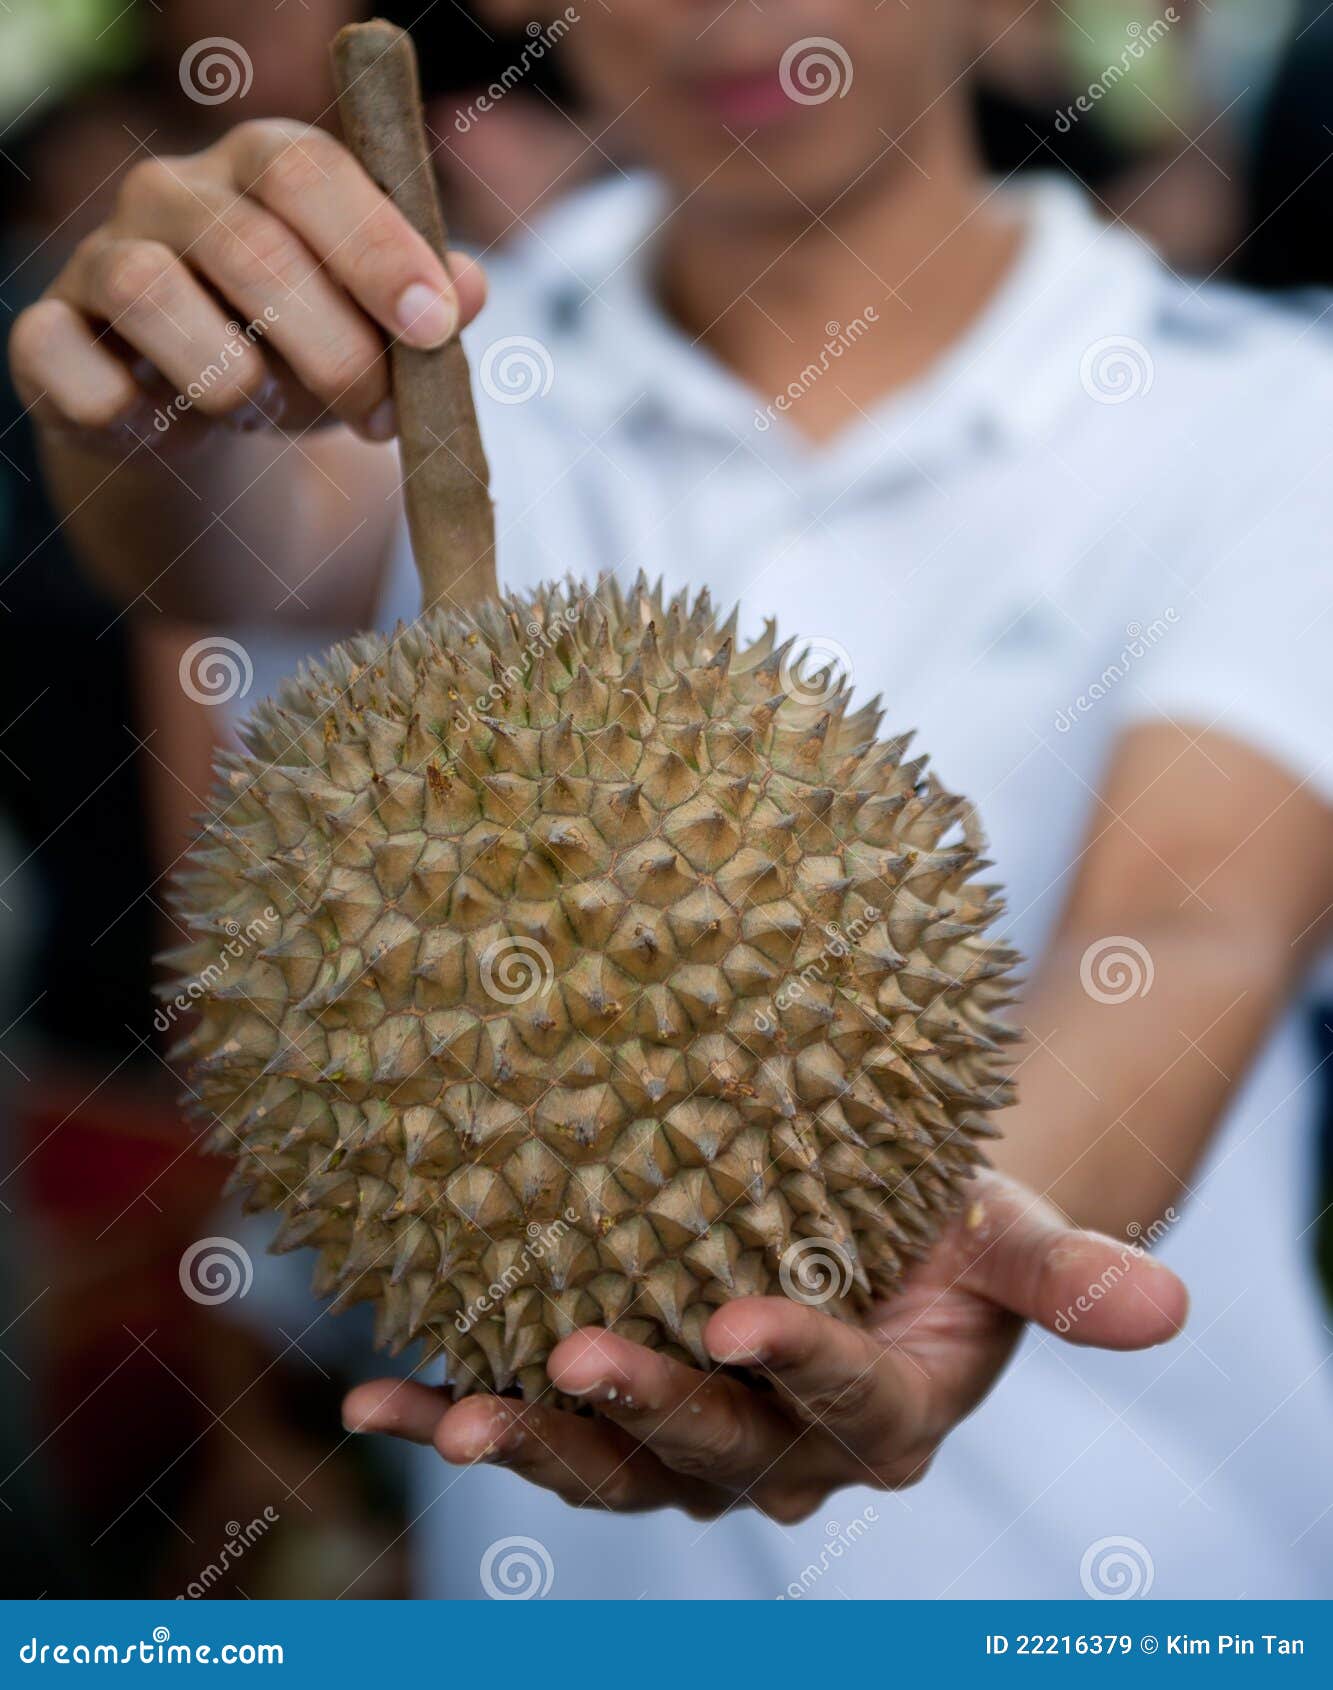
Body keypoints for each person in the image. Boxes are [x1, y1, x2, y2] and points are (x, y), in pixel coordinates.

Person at [9, 0, 1331, 1599]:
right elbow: (214, 536)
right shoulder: (446, 347)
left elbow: (1185, 925)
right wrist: (157, 389)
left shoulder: (1260, 410)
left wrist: (992, 1229)